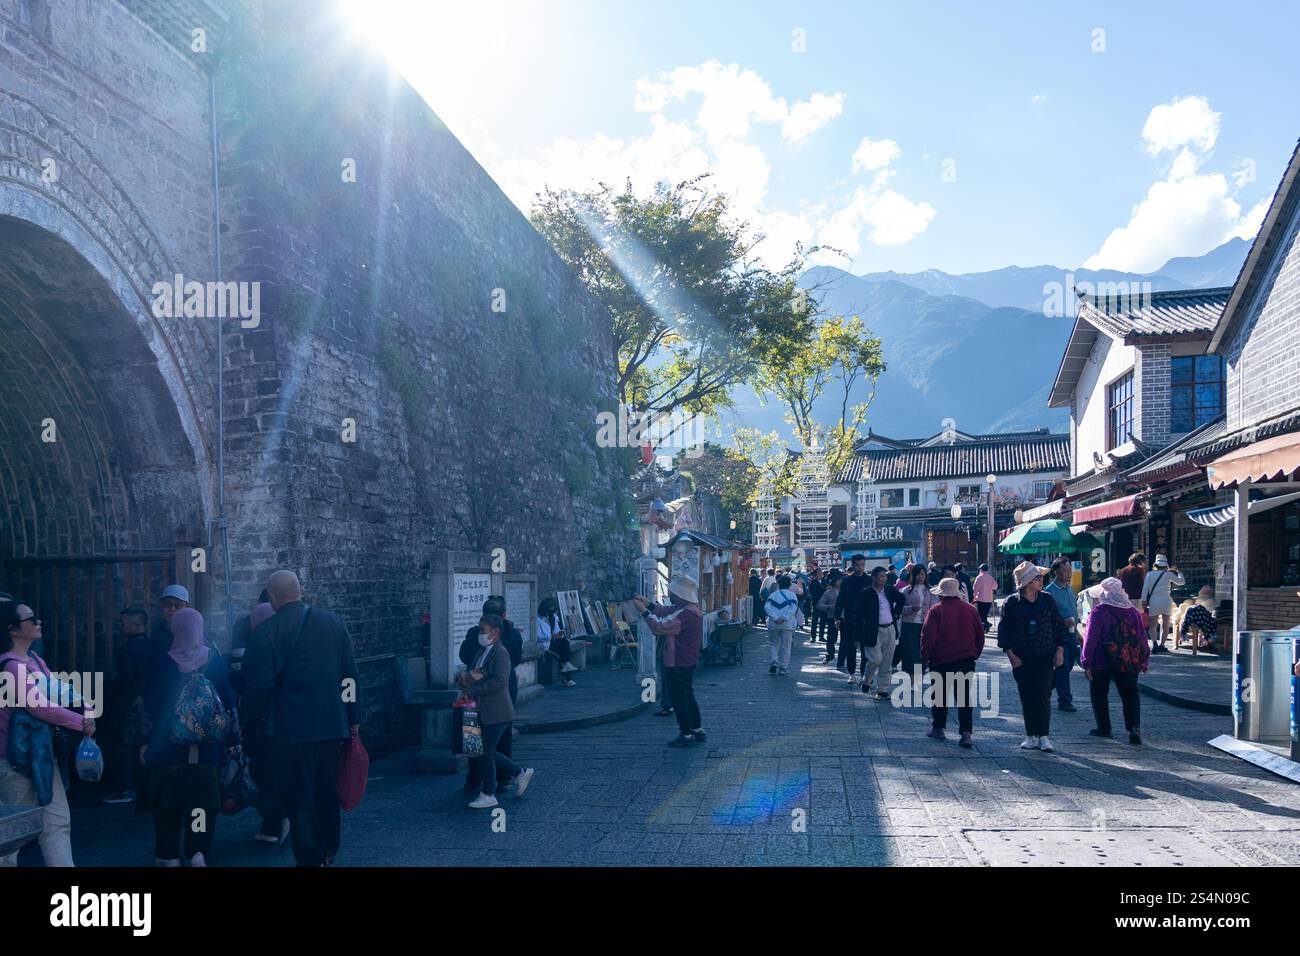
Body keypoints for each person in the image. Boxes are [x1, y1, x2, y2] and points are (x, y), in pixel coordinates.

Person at [240, 570, 360, 867]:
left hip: (289, 732)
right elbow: (350, 677)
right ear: (301, 590)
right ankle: (329, 849)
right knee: (326, 792)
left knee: (299, 796)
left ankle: (310, 857)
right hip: (332, 726)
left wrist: (243, 724)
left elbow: (257, 687)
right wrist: (353, 719)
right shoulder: (334, 623)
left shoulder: (267, 632)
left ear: (272, 596)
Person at [137, 607, 236, 866]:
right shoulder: (213, 661)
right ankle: (197, 852)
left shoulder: (162, 661)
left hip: (168, 748)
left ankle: (169, 855)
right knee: (201, 803)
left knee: (167, 803)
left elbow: (151, 704)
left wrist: (145, 741)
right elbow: (228, 702)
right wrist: (234, 741)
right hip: (207, 749)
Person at [0, 601, 94, 866]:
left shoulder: (34, 661)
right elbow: (40, 707)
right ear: (13, 630)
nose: (38, 621)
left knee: (57, 823)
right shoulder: (10, 666)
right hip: (14, 761)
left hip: (39, 755)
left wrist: (85, 705)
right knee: (10, 839)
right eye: (32, 618)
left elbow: (59, 690)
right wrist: (81, 721)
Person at [457, 614, 534, 809]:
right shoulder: (483, 651)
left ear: (495, 632)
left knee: (486, 751)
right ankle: (520, 772)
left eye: (483, 631)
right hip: (482, 708)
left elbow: (500, 681)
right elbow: (477, 672)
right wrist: (465, 679)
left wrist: (474, 689)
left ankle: (489, 793)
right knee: (485, 750)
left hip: (497, 710)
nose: (480, 634)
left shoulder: (501, 653)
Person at [997, 561, 1068, 753]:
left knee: (1043, 693)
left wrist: (1060, 650)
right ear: (1027, 582)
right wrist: (1010, 653)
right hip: (1021, 656)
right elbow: (1003, 629)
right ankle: (1031, 734)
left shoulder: (1047, 599)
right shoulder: (1012, 602)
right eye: (1037, 577)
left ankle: (1043, 735)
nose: (1041, 580)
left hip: (1045, 653)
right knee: (1027, 695)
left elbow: (1058, 625)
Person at [240, 601, 289, 846]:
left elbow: (255, 687)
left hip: (262, 723)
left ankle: (275, 820)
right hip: (286, 721)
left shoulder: (259, 644)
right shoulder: (289, 643)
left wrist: (242, 717)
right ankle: (280, 818)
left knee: (261, 774)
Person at [635, 577, 705, 747]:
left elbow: (659, 626)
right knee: (687, 694)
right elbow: (667, 611)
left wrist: (644, 612)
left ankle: (686, 734)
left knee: (679, 697)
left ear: (681, 595)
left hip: (678, 660)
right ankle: (697, 729)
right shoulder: (688, 608)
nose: (670, 595)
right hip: (687, 658)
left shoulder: (686, 614)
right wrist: (650, 605)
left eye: (673, 593)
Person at [1080, 577, 1150, 745]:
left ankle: (1104, 727)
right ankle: (1134, 728)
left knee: (1099, 693)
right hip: (1127, 659)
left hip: (1101, 660)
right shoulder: (1132, 611)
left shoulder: (1099, 612)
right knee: (1130, 693)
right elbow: (1142, 637)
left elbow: (1091, 638)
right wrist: (1144, 659)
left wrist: (1086, 662)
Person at [921, 577, 986, 747]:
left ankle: (938, 728)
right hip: (966, 659)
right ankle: (966, 732)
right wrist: (974, 654)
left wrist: (926, 657)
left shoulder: (936, 611)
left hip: (941, 660)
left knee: (940, 696)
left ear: (941, 594)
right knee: (964, 697)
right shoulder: (970, 610)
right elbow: (980, 635)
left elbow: (928, 637)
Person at [100, 606, 151, 805]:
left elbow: (125, 680)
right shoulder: (152, 645)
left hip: (129, 703)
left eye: (124, 623)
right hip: (146, 702)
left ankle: (125, 789)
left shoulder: (128, 650)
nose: (121, 626)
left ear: (136, 624)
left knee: (123, 746)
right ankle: (142, 787)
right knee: (141, 744)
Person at [855, 566, 904, 699]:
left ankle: (882, 689)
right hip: (872, 631)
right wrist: (858, 637)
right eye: (880, 576)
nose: (883, 579)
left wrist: (897, 612)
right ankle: (867, 680)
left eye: (884, 576)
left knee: (887, 661)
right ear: (874, 578)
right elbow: (858, 616)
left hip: (890, 628)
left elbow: (901, 599)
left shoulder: (889, 590)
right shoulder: (865, 594)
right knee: (875, 659)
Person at [1043, 558, 1079, 713]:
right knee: (1063, 667)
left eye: (1070, 570)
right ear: (1056, 571)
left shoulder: (1069, 590)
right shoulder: (1049, 592)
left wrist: (1078, 632)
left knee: (1068, 665)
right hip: (1058, 636)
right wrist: (1063, 623)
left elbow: (1074, 613)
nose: (1069, 573)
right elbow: (1045, 618)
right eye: (1065, 570)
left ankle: (1045, 688)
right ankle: (1065, 700)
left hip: (1072, 635)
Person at [835, 555, 873, 679]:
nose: (860, 567)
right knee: (850, 647)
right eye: (857, 565)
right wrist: (837, 618)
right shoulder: (847, 581)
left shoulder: (869, 580)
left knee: (865, 649)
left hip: (866, 620)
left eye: (862, 564)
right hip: (850, 618)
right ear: (853, 565)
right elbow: (840, 601)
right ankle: (851, 672)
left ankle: (864, 674)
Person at [898, 564, 936, 686]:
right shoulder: (905, 591)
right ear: (913, 575)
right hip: (909, 625)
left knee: (922, 653)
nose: (920, 577)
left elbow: (933, 608)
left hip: (924, 626)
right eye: (918, 574)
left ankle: (918, 677)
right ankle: (913, 681)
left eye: (923, 574)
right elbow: (899, 609)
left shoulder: (930, 591)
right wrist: (910, 609)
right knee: (910, 653)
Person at [1139, 555, 1184, 652]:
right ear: (1165, 565)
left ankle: (1154, 643)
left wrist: (1143, 601)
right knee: (1165, 624)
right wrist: (1179, 572)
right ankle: (1162, 645)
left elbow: (1145, 590)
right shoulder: (1168, 574)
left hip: (1154, 601)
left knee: (1153, 625)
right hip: (1166, 601)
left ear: (1156, 564)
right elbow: (1181, 582)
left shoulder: (1149, 574)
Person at [765, 575, 800, 676]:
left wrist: (775, 618)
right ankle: (783, 668)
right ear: (789, 584)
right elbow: (793, 608)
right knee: (786, 646)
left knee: (773, 644)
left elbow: (767, 608)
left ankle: (774, 662)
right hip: (787, 624)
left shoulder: (772, 595)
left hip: (773, 624)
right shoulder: (792, 595)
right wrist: (784, 618)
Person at [536, 597, 576, 687]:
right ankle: (567, 676)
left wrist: (560, 634)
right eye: (549, 610)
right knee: (559, 654)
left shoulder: (553, 617)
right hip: (544, 644)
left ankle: (566, 668)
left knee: (564, 643)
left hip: (553, 640)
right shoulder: (537, 619)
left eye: (553, 610)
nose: (551, 612)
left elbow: (556, 630)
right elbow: (538, 636)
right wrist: (552, 636)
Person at [150, 584, 191, 659]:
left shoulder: (194, 631)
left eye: (177, 606)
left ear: (186, 607)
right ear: (162, 606)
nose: (172, 609)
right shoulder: (157, 632)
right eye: (168, 605)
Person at [1176, 586, 1218, 651]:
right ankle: (1206, 640)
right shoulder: (1204, 610)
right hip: (1201, 621)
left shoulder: (1194, 609)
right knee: (1208, 623)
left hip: (1193, 621)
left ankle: (1204, 640)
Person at [817, 573, 842, 664]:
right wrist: (829, 607)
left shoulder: (845, 591)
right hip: (832, 617)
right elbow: (819, 605)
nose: (840, 582)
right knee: (831, 638)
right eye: (838, 580)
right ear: (834, 582)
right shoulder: (828, 592)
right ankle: (830, 654)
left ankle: (842, 658)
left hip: (844, 617)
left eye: (841, 580)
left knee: (845, 638)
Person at [972, 563, 997, 631]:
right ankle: (986, 625)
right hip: (989, 599)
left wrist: (974, 597)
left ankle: (986, 625)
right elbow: (995, 586)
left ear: (981, 570)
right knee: (985, 614)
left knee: (980, 615)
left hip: (981, 599)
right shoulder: (990, 577)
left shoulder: (979, 577)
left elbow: (975, 589)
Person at [807, 569, 826, 645]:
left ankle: (821, 636)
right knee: (814, 621)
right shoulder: (813, 582)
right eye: (819, 574)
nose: (821, 575)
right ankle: (813, 636)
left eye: (821, 573)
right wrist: (825, 590)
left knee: (823, 620)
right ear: (815, 575)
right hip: (816, 603)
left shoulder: (824, 581)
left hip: (824, 604)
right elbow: (815, 593)